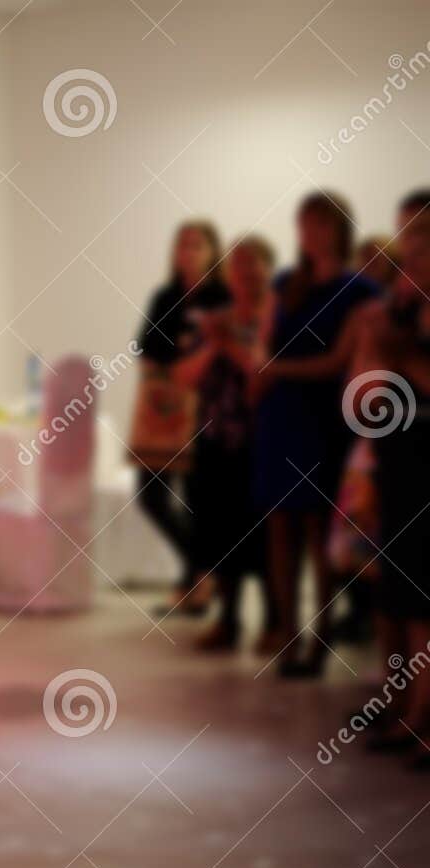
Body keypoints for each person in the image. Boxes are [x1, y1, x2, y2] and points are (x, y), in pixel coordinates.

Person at [252, 192, 378, 678]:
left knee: (317, 529)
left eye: (320, 224)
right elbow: (266, 338)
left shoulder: (360, 290)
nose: (310, 233)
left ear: (339, 229)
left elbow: (337, 361)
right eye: (304, 224)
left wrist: (275, 368)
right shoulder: (287, 281)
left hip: (322, 416)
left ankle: (322, 634)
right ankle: (287, 632)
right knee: (280, 527)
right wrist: (266, 368)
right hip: (281, 416)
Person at [352, 189, 430, 763]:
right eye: (407, 233)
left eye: (422, 234)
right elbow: (370, 391)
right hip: (395, 456)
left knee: (424, 597)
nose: (412, 247)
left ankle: (423, 719)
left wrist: (402, 360)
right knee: (394, 590)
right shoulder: (399, 303)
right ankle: (400, 705)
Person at [173, 235, 274, 652]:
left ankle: (276, 622)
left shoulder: (275, 317)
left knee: (265, 538)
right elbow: (183, 376)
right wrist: (214, 343)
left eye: (254, 264)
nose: (245, 272)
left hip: (264, 441)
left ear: (269, 269)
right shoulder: (216, 318)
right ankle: (228, 621)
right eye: (238, 265)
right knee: (220, 533)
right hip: (215, 439)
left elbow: (259, 372)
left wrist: (227, 343)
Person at [132, 220, 230, 617]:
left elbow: (219, 351)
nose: (188, 252)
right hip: (162, 410)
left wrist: (185, 356)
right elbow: (146, 346)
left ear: (213, 251)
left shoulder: (221, 297)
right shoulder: (165, 296)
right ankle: (204, 571)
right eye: (182, 244)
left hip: (206, 409)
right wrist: (179, 355)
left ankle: (194, 580)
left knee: (196, 500)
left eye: (197, 245)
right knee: (150, 494)